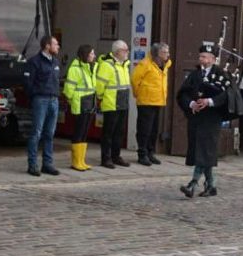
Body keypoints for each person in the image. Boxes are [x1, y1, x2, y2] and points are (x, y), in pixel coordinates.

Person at [176, 42, 231, 198]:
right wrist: (191, 103)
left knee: (205, 150)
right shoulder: (195, 75)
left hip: (212, 118)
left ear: (213, 59)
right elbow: (183, 94)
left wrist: (210, 102)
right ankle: (211, 185)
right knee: (202, 151)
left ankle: (192, 184)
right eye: (200, 56)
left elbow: (227, 95)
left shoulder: (221, 74)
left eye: (205, 57)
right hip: (196, 118)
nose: (202, 59)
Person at [23, 35, 62, 176]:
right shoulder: (34, 62)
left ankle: (47, 163)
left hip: (54, 100)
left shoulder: (56, 62)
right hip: (41, 99)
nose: (58, 47)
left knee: (50, 134)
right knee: (36, 133)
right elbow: (28, 83)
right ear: (47, 45)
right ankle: (32, 164)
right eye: (55, 44)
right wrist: (35, 95)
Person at [131, 42, 172, 166]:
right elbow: (134, 80)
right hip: (146, 100)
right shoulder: (145, 64)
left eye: (168, 52)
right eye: (165, 52)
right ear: (157, 54)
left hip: (158, 100)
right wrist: (139, 94)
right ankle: (142, 153)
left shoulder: (165, 64)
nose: (168, 55)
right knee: (144, 129)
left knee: (154, 129)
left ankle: (150, 152)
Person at [95, 40, 132, 168]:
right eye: (125, 50)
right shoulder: (107, 65)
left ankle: (116, 156)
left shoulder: (125, 65)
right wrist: (101, 98)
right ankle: (106, 158)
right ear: (117, 52)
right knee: (108, 133)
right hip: (111, 104)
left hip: (123, 103)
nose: (128, 52)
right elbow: (100, 85)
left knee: (119, 132)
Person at [62, 44, 97, 172]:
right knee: (78, 133)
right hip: (80, 104)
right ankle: (76, 161)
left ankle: (81, 160)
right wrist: (73, 101)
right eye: (92, 53)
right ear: (85, 54)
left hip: (89, 104)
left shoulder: (90, 67)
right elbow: (68, 89)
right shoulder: (75, 68)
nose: (94, 56)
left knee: (84, 133)